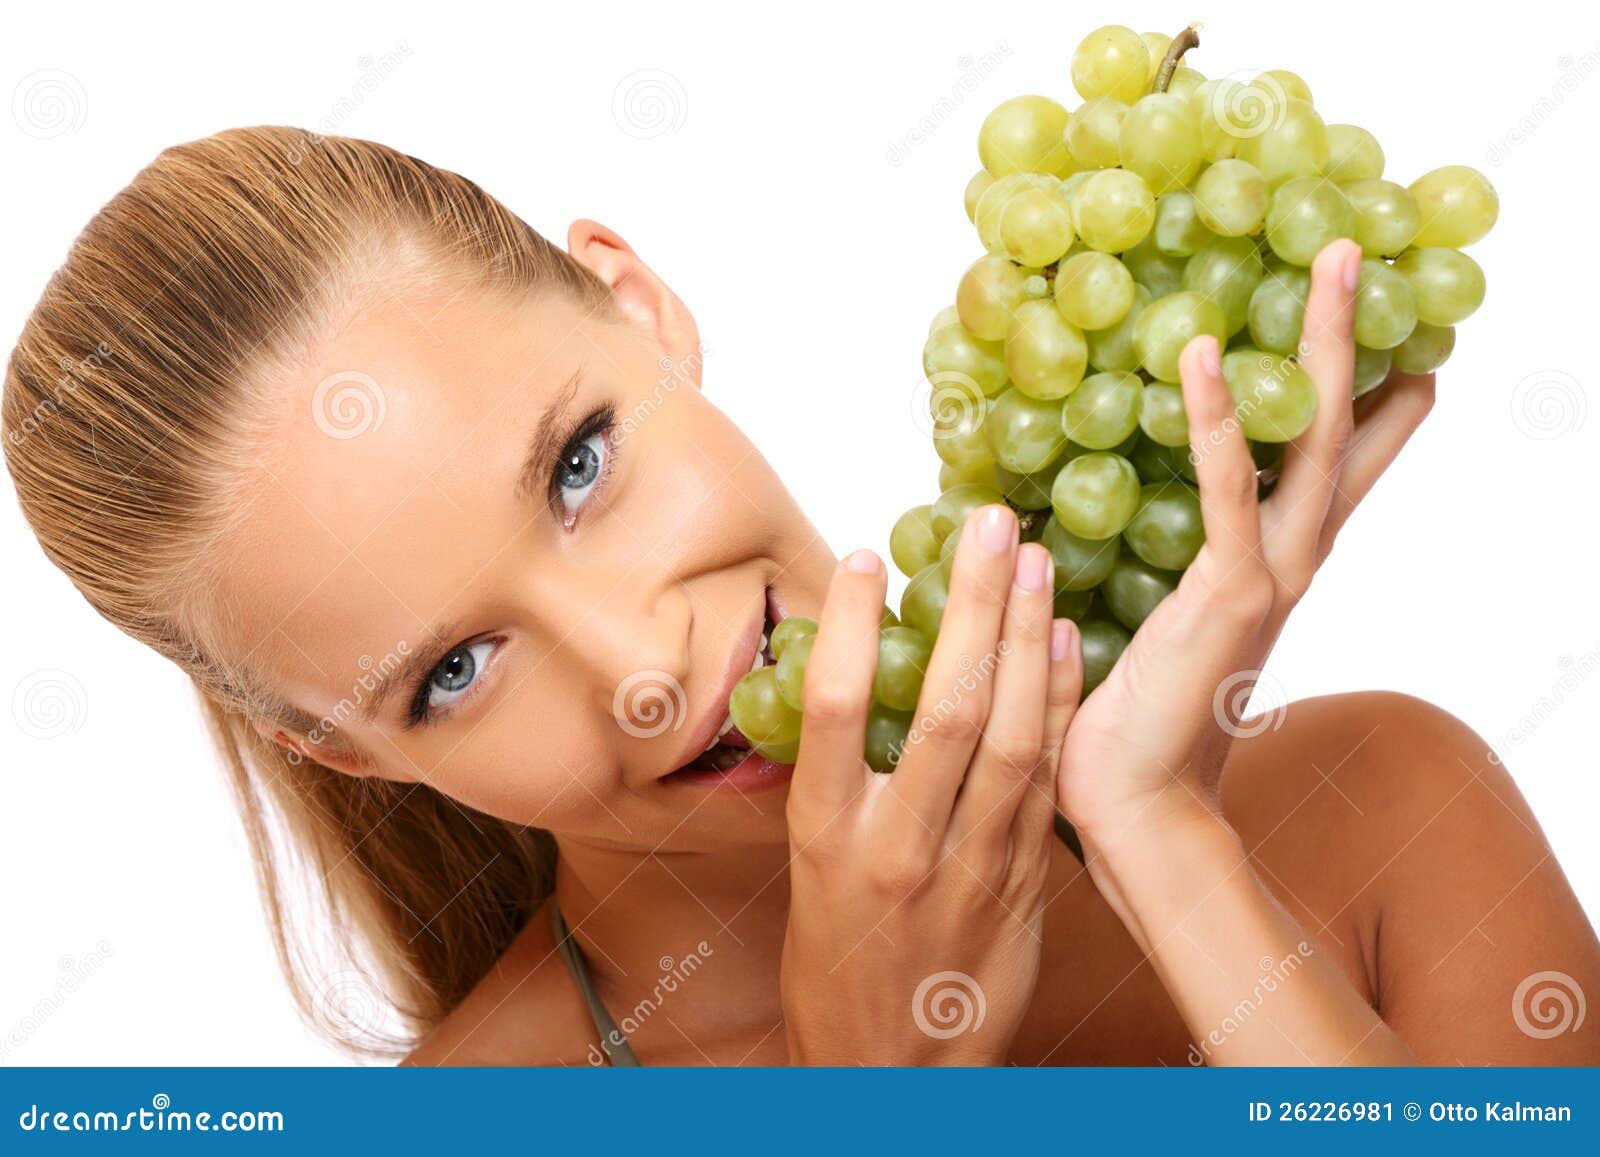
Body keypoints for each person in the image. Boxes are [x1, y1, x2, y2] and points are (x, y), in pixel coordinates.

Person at [5, 126, 1596, 1066]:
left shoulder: (1383, 812)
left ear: (637, 306)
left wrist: (1165, 838)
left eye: (577, 466)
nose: (646, 664)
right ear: (337, 747)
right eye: (456, 668)